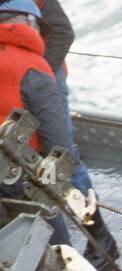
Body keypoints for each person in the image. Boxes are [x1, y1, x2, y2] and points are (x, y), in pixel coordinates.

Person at [34, 0, 116, 268]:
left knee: (64, 160)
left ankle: (99, 237)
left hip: (42, 80)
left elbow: (62, 33)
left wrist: (36, 72)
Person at [0, 0, 78, 247]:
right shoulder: (35, 67)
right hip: (16, 183)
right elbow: (59, 145)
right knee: (59, 250)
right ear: (29, 22)